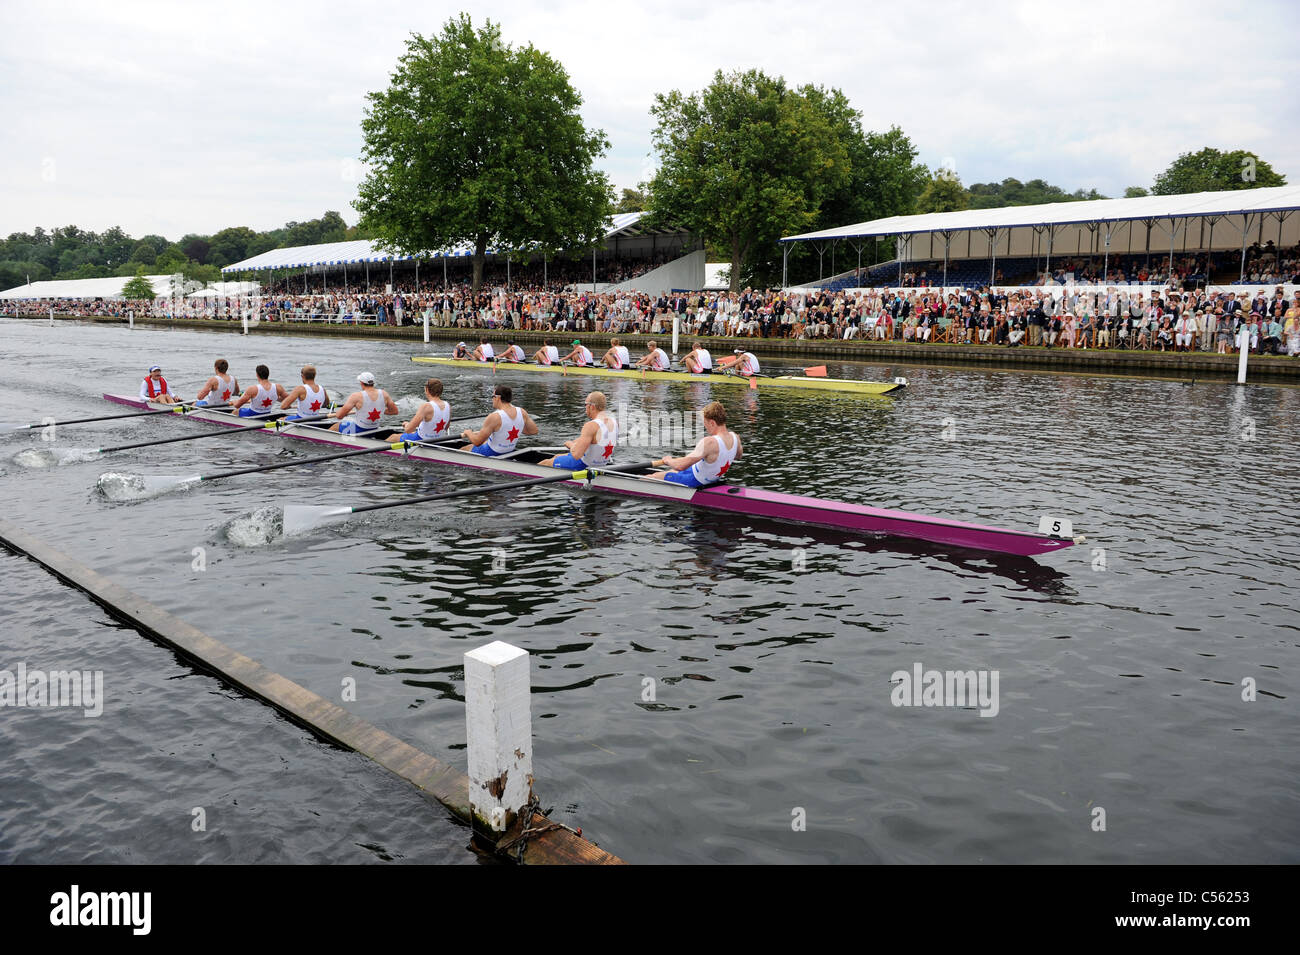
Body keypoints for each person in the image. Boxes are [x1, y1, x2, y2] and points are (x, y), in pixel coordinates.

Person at [644, 401, 741, 487]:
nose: (705, 427)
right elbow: (738, 456)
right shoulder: (735, 437)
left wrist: (668, 460)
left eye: (705, 423)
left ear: (712, 423)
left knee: (652, 477)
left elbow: (680, 466)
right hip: (706, 476)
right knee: (670, 472)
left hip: (693, 481)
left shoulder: (709, 442)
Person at [538, 391, 618, 470]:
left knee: (545, 463)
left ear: (592, 407)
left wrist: (570, 444)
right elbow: (594, 440)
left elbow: (576, 455)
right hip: (601, 464)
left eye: (585, 404)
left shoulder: (590, 425)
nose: (585, 407)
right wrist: (576, 443)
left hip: (583, 465)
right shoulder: (614, 422)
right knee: (557, 456)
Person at [460, 384, 538, 456]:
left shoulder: (494, 417)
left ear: (498, 398)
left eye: (492, 396)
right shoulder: (522, 412)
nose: (492, 399)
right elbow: (533, 431)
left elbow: (477, 442)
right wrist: (512, 428)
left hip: (491, 452)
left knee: (465, 449)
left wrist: (468, 432)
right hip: (509, 451)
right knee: (486, 441)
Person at [329, 372, 399, 434]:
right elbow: (394, 411)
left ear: (361, 383)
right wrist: (377, 411)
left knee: (336, 426)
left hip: (359, 429)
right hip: (374, 429)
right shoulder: (384, 394)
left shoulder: (356, 396)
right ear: (373, 383)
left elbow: (339, 416)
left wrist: (343, 413)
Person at [399, 378, 452, 443]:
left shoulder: (426, 406)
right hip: (438, 441)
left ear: (427, 389)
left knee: (393, 437)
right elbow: (446, 427)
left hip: (421, 440)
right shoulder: (448, 405)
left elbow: (408, 430)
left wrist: (406, 424)